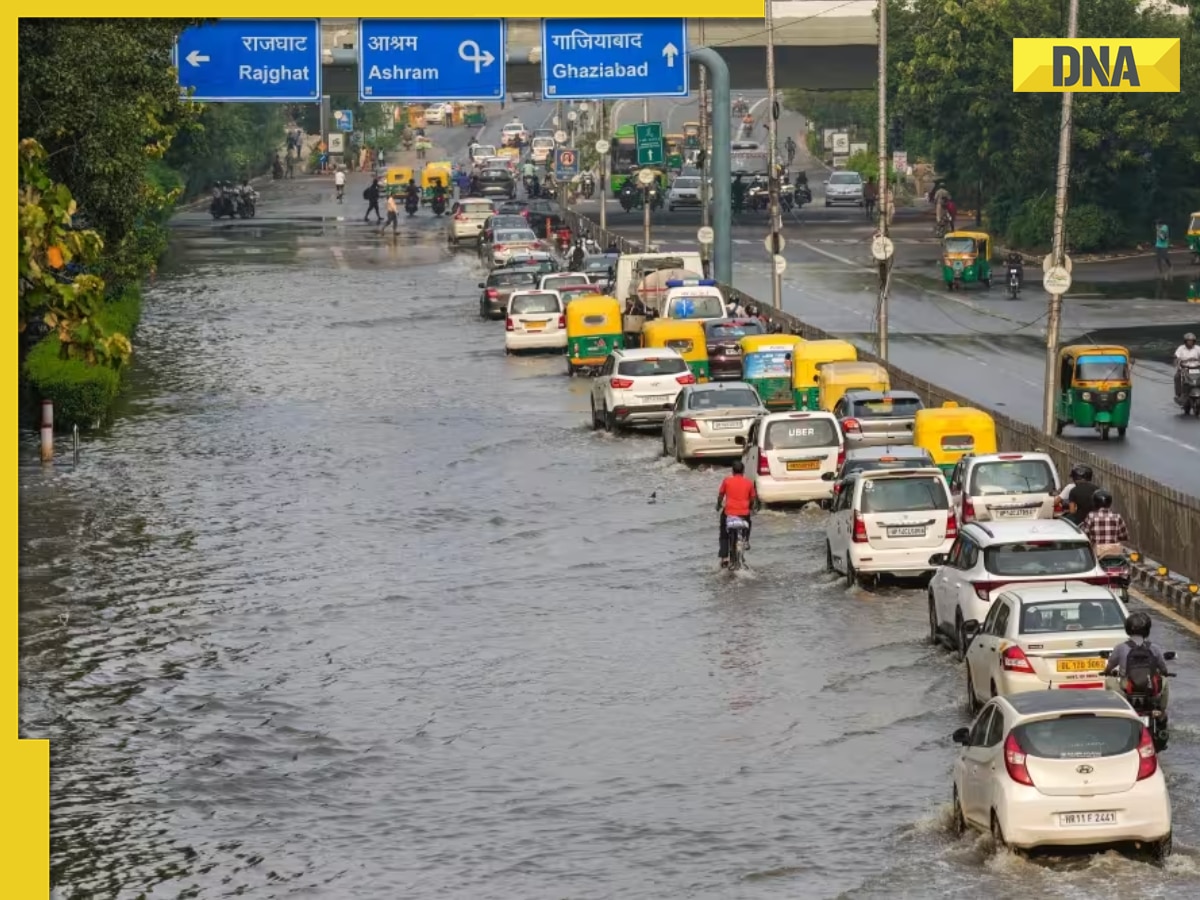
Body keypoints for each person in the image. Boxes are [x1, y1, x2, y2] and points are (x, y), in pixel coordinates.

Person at [1104, 611, 1171, 725]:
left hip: (1126, 688)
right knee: (1165, 682)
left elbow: (1110, 666)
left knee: (1109, 681)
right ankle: (1161, 712)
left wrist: (1107, 672)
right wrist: (1165, 673)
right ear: (1147, 630)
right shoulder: (1154, 648)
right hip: (1150, 689)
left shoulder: (1120, 648)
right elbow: (1164, 669)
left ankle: (1118, 710)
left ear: (1128, 629)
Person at [717, 460, 758, 568]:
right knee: (748, 523)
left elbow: (721, 496)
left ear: (732, 471)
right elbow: (753, 499)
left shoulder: (727, 481)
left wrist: (718, 505)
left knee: (723, 533)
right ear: (743, 471)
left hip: (729, 514)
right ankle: (746, 540)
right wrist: (749, 507)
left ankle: (725, 557)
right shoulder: (749, 483)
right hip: (743, 514)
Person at [1081, 490, 1128, 559]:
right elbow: (1124, 536)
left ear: (1095, 503)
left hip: (1097, 553)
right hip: (1114, 552)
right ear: (1110, 503)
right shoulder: (1117, 517)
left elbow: (1085, 534)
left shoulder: (1091, 516)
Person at [1174, 332, 1199, 399]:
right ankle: (1178, 394)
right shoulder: (1181, 348)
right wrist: (1178, 364)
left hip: (1197, 368)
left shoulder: (1198, 348)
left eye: (1191, 341)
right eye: (1188, 341)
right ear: (1185, 341)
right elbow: (1176, 357)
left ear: (1194, 341)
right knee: (1177, 376)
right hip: (1185, 368)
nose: (1190, 342)